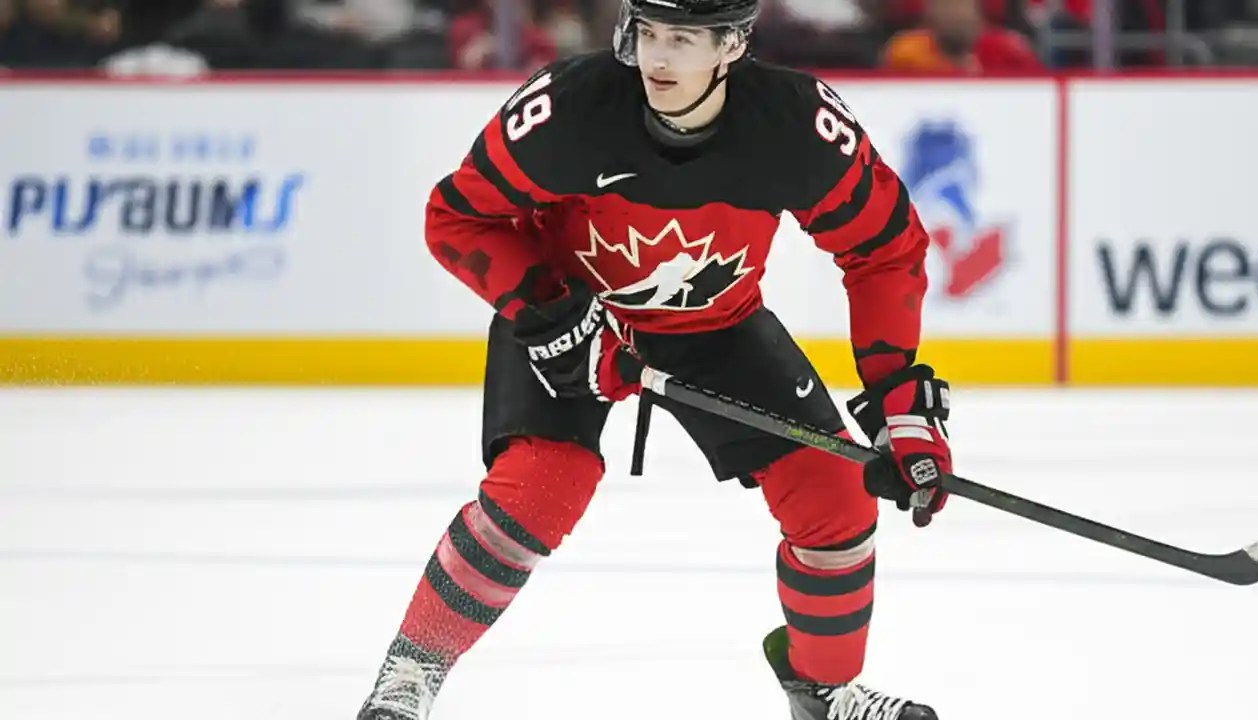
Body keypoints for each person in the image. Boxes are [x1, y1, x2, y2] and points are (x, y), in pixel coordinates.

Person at [355, 1, 954, 718]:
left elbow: (883, 248)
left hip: (718, 324)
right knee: (540, 488)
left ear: (732, 45)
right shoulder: (572, 107)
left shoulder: (796, 125)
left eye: (683, 39)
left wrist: (897, 402)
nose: (658, 58)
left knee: (835, 495)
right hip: (570, 310)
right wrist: (556, 315)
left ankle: (824, 691)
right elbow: (456, 216)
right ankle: (410, 674)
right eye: (648, 34)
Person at [880, 0, 1041, 74]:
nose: (954, 12)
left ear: (977, 10)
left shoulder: (1008, 50)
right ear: (929, 12)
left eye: (961, 4)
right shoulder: (905, 52)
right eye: (945, 4)